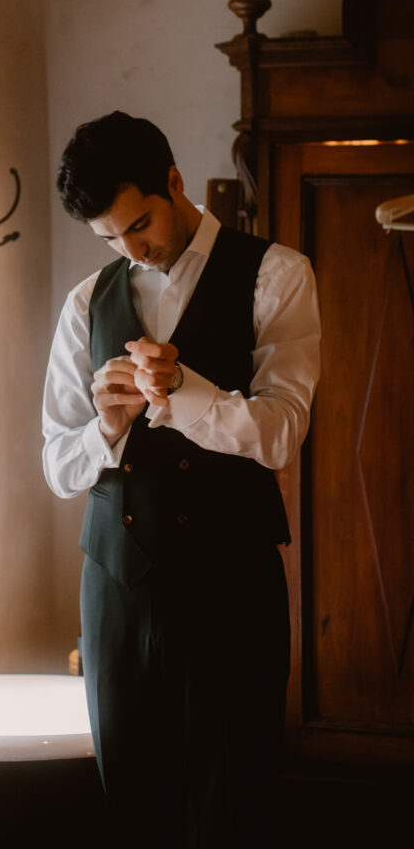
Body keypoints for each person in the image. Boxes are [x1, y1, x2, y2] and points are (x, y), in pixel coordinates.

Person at [43, 111, 320, 848]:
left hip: (233, 586)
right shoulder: (84, 304)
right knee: (131, 807)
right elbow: (57, 465)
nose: (131, 249)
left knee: (240, 799)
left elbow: (285, 431)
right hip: (115, 590)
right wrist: (106, 426)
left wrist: (185, 394)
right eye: (108, 239)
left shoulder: (278, 274)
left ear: (174, 181)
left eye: (139, 226)